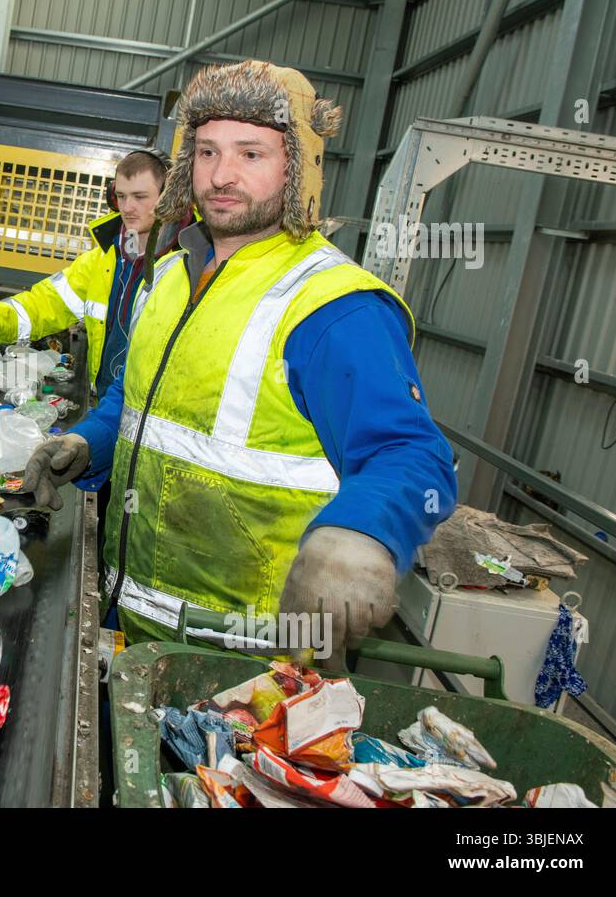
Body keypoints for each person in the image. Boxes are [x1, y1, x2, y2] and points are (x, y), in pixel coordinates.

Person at [22, 60, 457, 659]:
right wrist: (90, 444)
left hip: (243, 666)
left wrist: (359, 534)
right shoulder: (173, 273)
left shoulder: (332, 306)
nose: (222, 175)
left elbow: (411, 454)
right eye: (206, 152)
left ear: (296, 166)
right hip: (128, 631)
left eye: (251, 154)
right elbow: (137, 399)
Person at [0, 149, 170, 399]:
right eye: (121, 196)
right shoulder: (101, 263)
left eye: (140, 197)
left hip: (150, 419)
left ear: (168, 197)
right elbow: (39, 305)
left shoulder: (188, 264)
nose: (128, 207)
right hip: (104, 409)